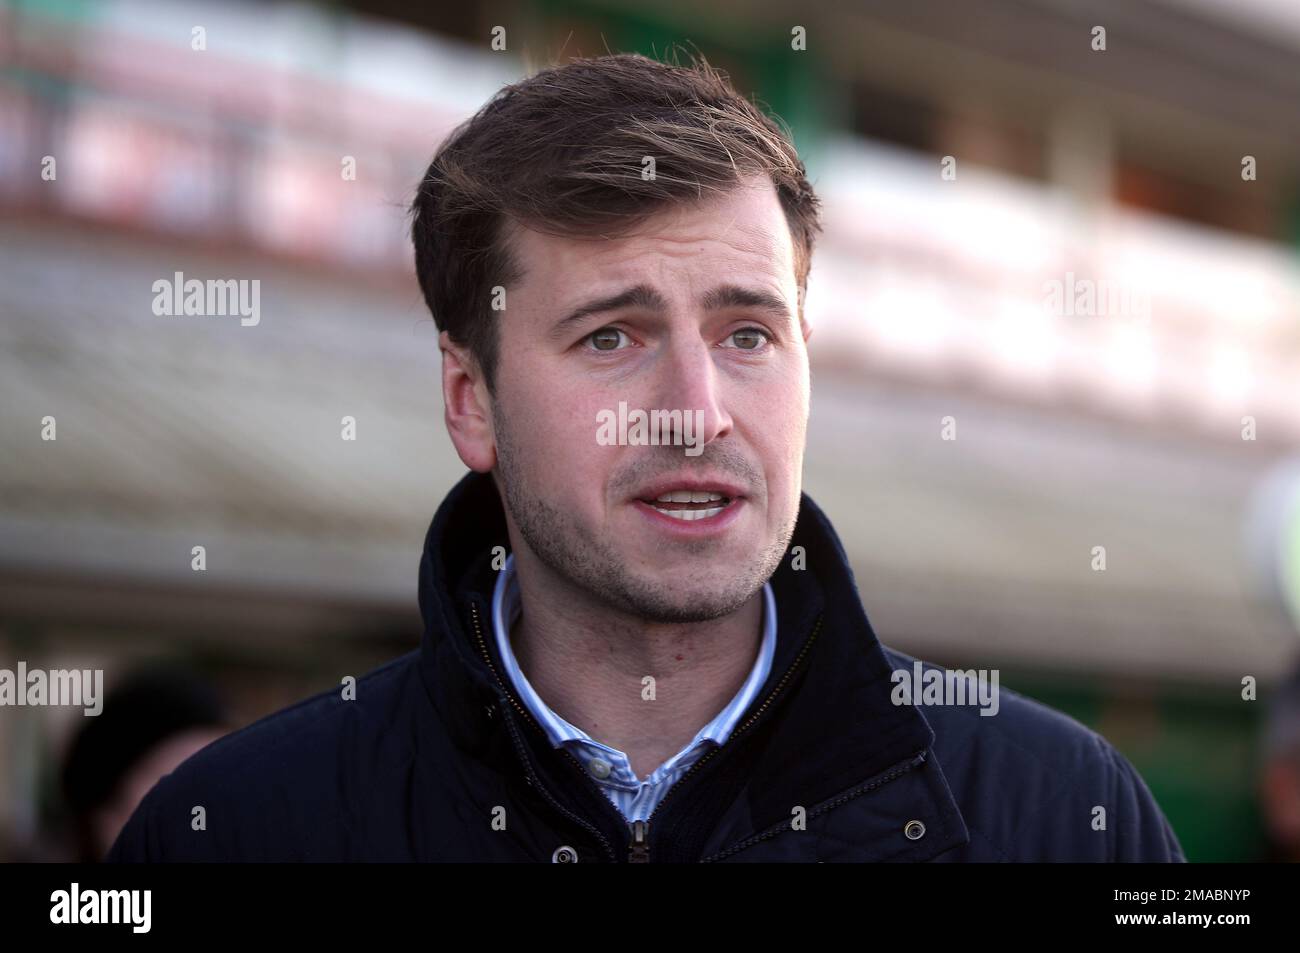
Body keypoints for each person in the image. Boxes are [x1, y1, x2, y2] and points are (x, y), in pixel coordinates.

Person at [108, 52, 1183, 862]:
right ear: (468, 398)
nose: (696, 412)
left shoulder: (1059, 812)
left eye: (748, 333)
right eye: (611, 336)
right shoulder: (238, 829)